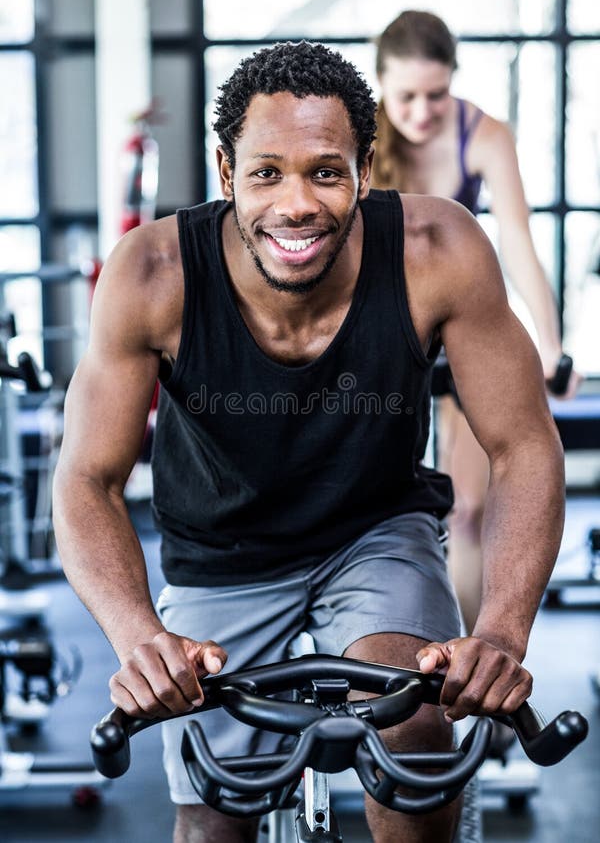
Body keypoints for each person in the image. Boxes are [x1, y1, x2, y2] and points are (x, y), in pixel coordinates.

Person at [53, 41, 564, 843]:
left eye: (326, 172)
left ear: (366, 169)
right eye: (267, 173)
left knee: (415, 737)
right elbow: (86, 478)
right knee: (214, 812)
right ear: (227, 174)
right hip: (220, 550)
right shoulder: (153, 272)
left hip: (375, 532)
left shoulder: (438, 251)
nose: (296, 204)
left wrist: (500, 632)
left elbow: (525, 446)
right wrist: (139, 636)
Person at [372, 10, 578, 636]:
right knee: (373, 513)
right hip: (379, 330)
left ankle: (467, 665)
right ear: (381, 83)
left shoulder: (484, 135)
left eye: (436, 94)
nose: (422, 112)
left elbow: (517, 243)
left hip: (455, 322)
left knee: (466, 509)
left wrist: (551, 345)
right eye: (406, 96)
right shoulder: (360, 133)